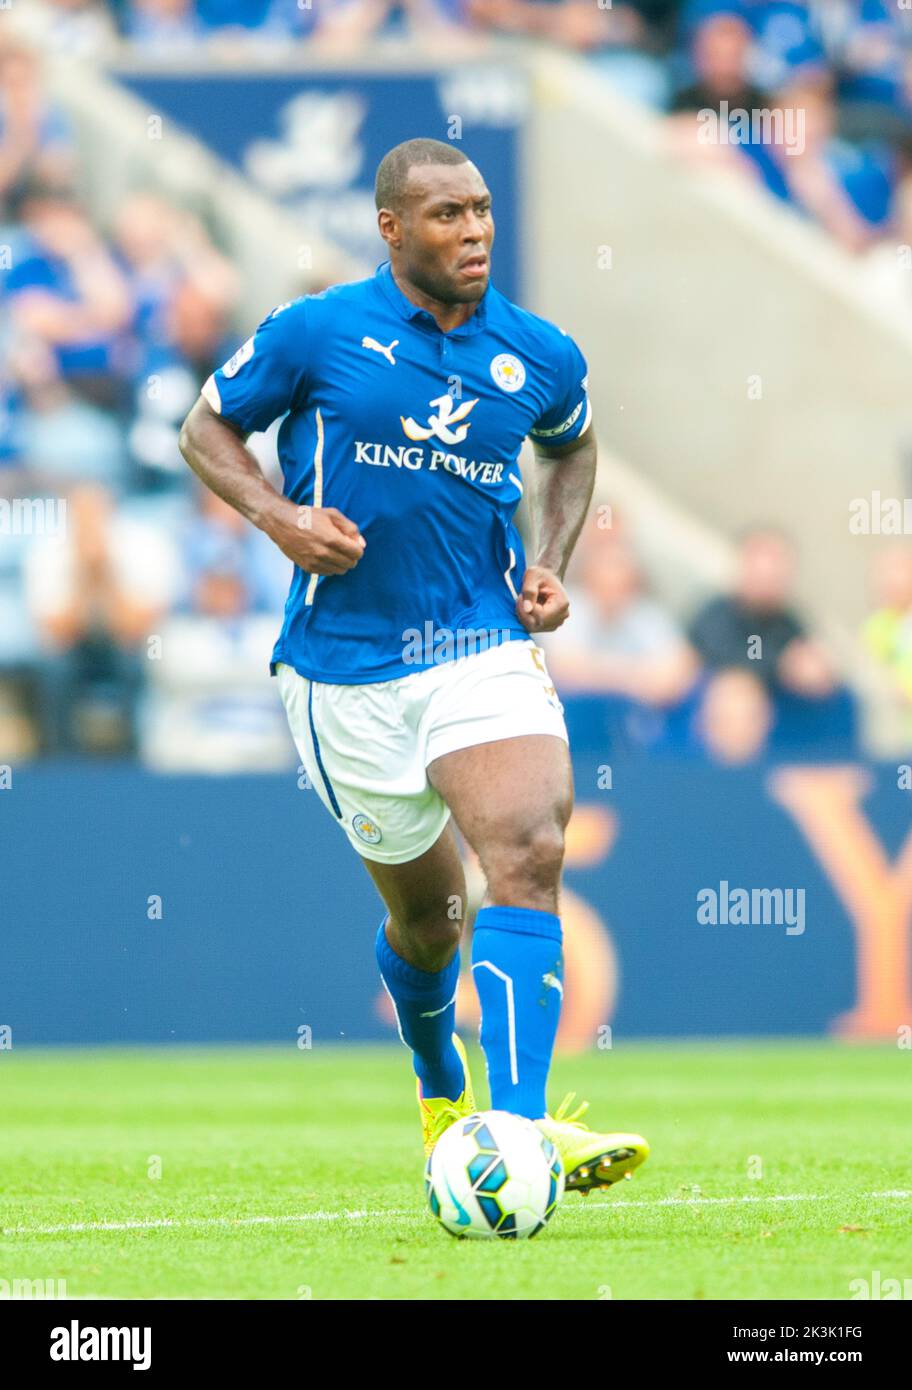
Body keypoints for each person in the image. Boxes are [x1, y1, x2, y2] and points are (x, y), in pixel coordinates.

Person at [179, 137, 649, 1194]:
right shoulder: (318, 330)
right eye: (447, 216)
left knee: (528, 847)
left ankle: (517, 1135)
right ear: (391, 228)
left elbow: (572, 446)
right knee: (427, 923)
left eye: (482, 211)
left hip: (480, 642)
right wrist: (279, 517)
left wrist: (552, 561)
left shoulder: (538, 351)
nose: (474, 231)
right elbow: (205, 427)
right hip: (343, 670)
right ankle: (443, 1093)